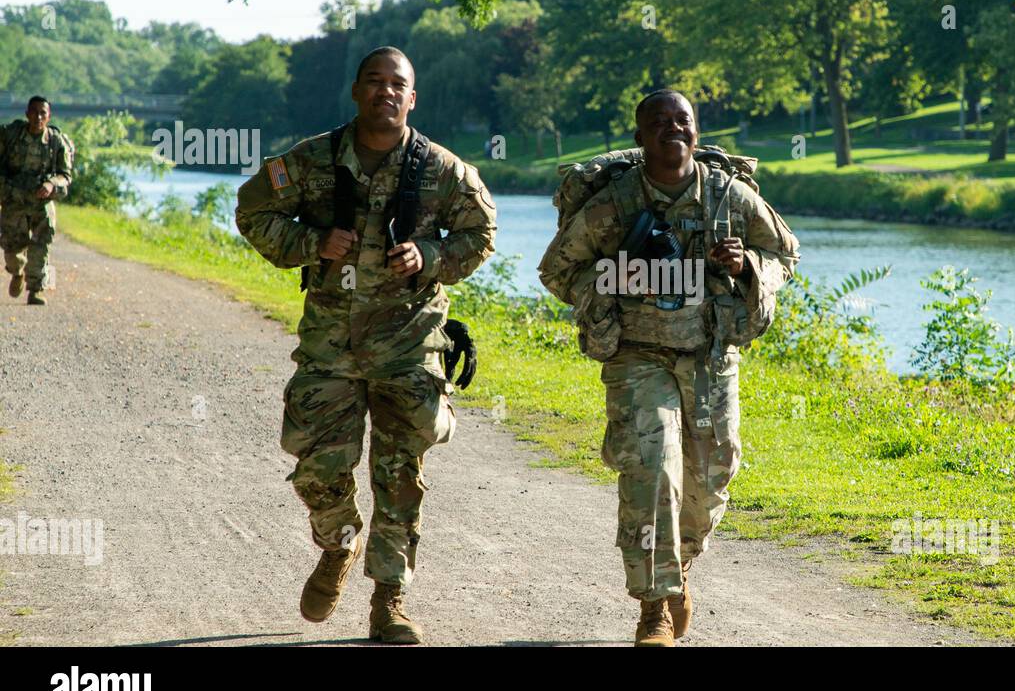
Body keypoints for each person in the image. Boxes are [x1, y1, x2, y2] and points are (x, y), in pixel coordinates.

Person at [235, 46, 496, 644]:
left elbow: (482, 230)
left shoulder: (442, 169)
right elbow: (252, 210)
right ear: (357, 92)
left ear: (411, 97)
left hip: (408, 343)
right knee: (315, 465)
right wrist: (311, 243)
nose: (385, 91)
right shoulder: (313, 160)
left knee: (401, 473)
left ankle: (390, 601)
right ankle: (338, 543)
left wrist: (430, 256)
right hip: (331, 344)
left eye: (396, 83)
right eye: (374, 82)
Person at [539, 89, 800, 646]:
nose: (671, 130)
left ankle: (677, 568)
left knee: (711, 479)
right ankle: (653, 607)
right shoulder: (614, 203)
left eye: (682, 121)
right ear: (640, 137)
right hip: (637, 356)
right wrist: (613, 279)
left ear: (697, 132)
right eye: (658, 123)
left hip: (710, 355)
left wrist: (748, 264)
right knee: (651, 468)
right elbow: (557, 271)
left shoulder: (729, 197)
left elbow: (786, 256)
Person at [1, 96, 74, 305]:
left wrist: (51, 184)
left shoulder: (56, 142)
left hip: (41, 202)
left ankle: (36, 289)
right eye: (34, 112)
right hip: (13, 200)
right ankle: (17, 272)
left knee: (41, 246)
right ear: (27, 114)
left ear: (49, 117)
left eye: (43, 113)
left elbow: (65, 176)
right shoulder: (10, 136)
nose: (38, 117)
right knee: (12, 251)